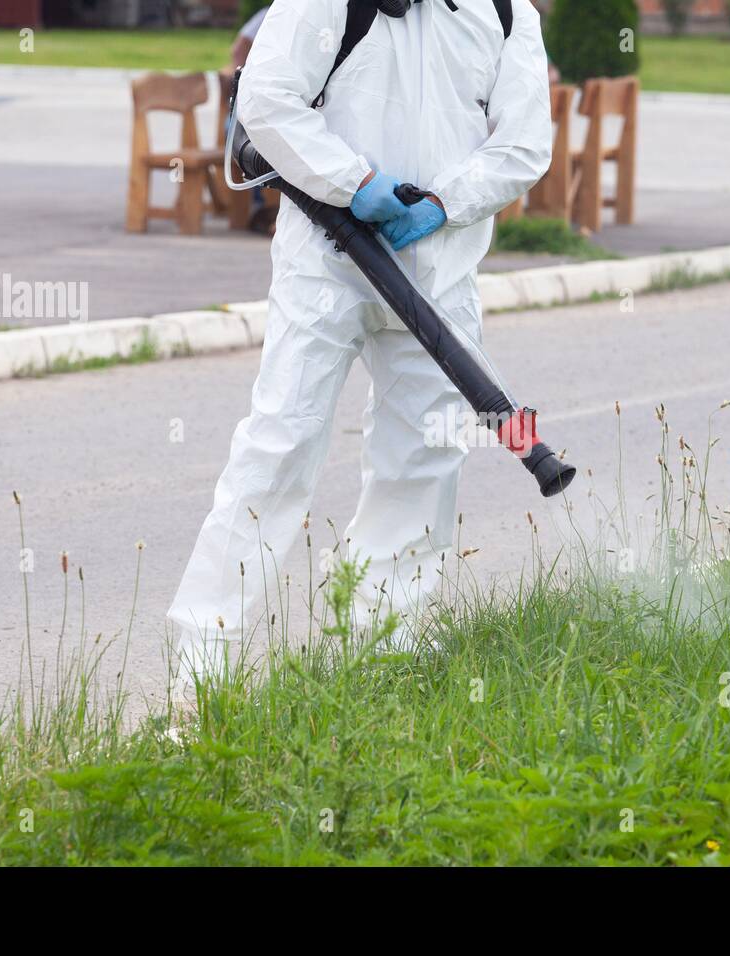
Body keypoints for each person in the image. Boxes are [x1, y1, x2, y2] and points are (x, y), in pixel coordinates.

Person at [168, 0, 553, 677]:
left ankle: (378, 652)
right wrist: (358, 184)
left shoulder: (506, 11)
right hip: (328, 265)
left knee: (421, 463)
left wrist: (445, 202)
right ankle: (201, 670)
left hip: (439, 273)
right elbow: (267, 100)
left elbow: (523, 146)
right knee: (281, 446)